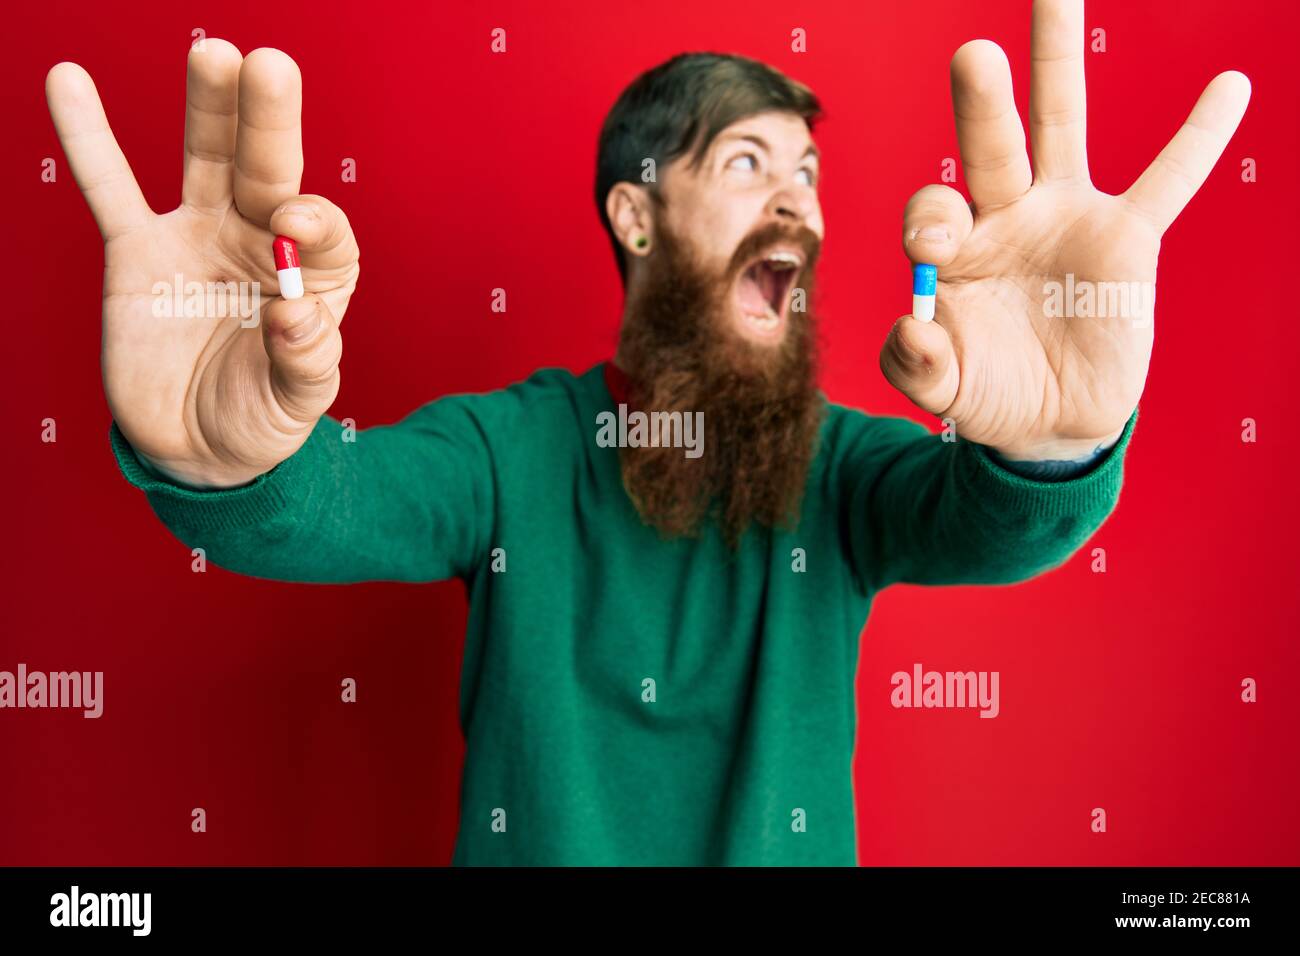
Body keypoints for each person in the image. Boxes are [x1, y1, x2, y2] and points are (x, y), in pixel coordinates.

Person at [44, 0, 1249, 864]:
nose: (799, 202)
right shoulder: (509, 455)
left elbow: (995, 522)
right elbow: (323, 503)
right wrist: (219, 455)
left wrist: (1058, 439)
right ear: (635, 213)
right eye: (747, 161)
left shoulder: (840, 471)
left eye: (810, 173)